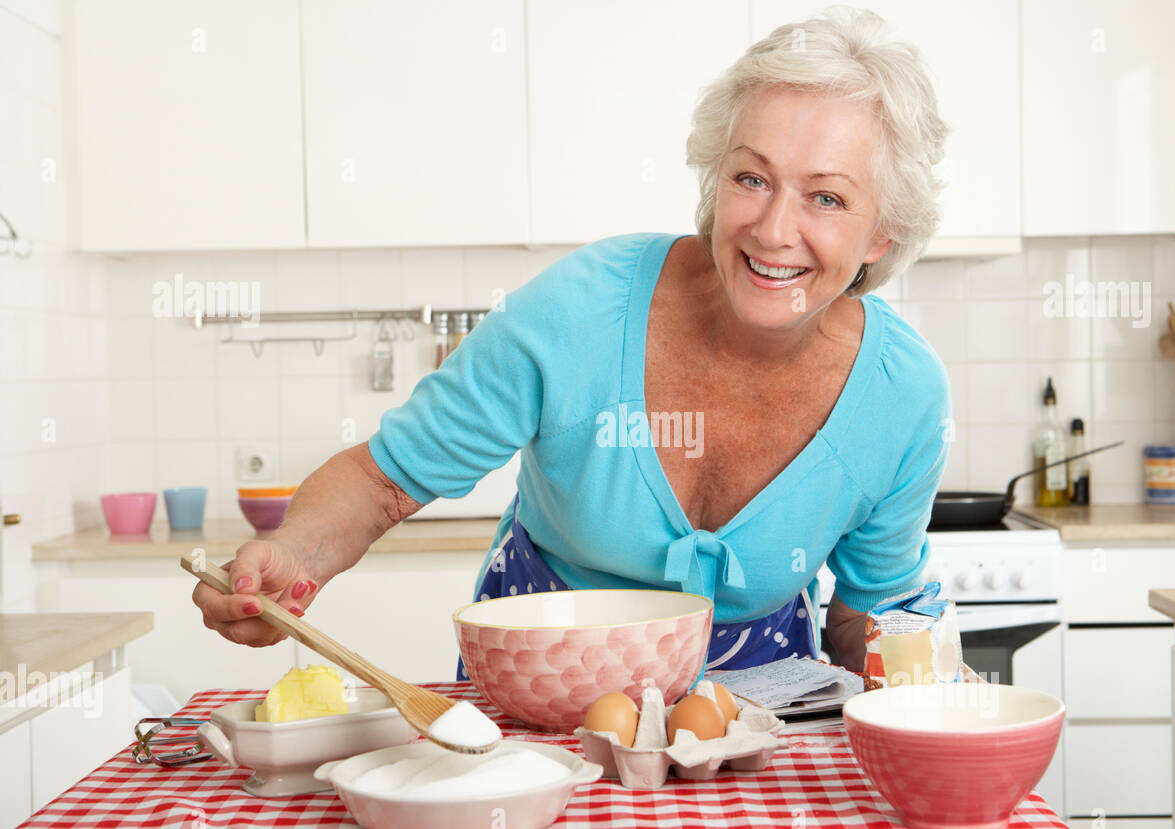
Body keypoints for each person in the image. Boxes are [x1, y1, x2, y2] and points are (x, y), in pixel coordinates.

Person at [192, 7, 951, 677]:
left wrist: (930, 686)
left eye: (826, 197)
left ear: (883, 231)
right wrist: (295, 561)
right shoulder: (581, 309)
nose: (774, 229)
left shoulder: (901, 394)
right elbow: (383, 481)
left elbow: (869, 615)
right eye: (751, 179)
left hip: (758, 736)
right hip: (537, 711)